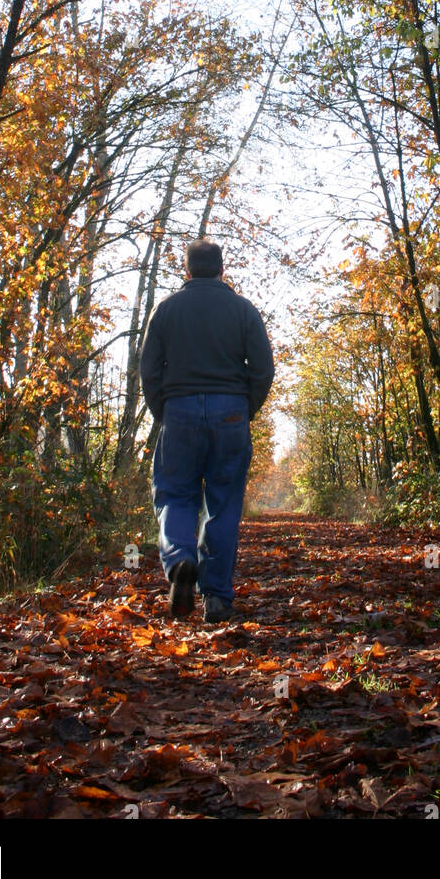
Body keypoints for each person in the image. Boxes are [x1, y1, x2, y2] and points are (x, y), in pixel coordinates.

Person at [139, 238, 274, 624]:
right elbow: (263, 368)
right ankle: (216, 598)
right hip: (230, 410)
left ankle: (181, 559)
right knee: (223, 504)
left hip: (179, 409)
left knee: (175, 494)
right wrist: (245, 407)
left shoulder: (165, 310)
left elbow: (149, 369)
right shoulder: (243, 310)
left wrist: (163, 410)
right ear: (221, 269)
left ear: (187, 269)